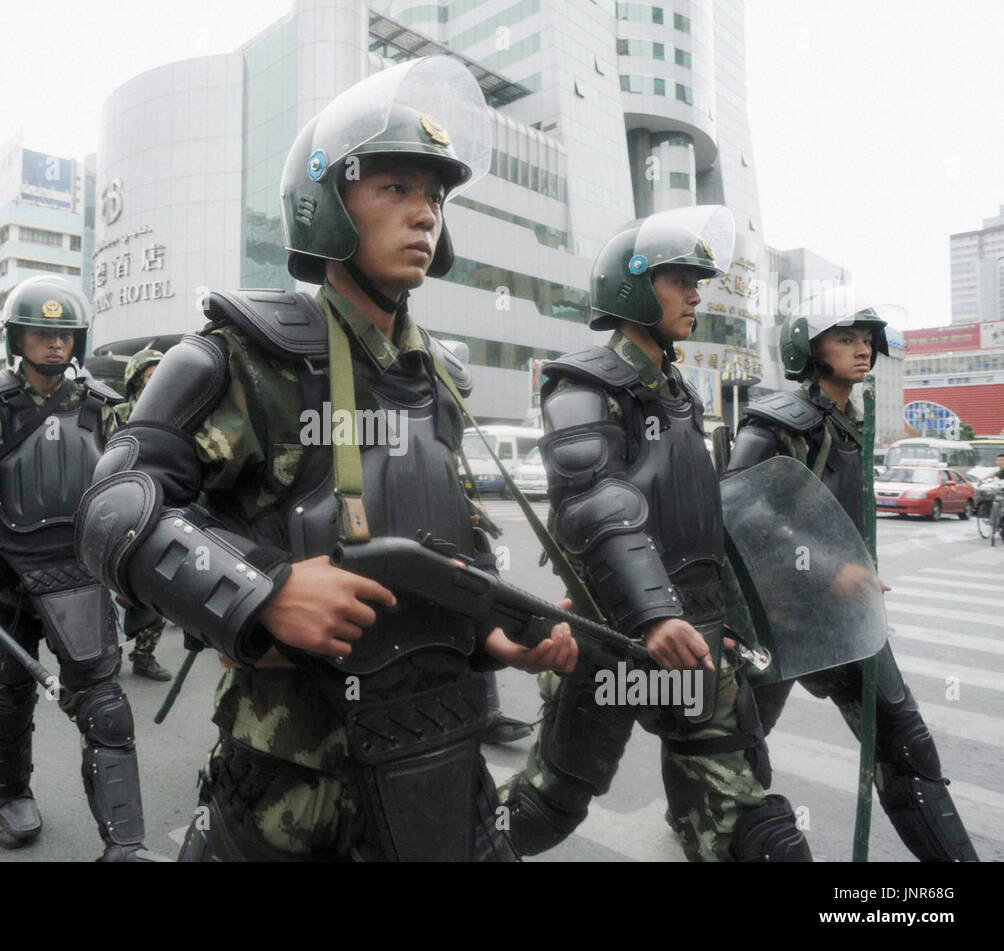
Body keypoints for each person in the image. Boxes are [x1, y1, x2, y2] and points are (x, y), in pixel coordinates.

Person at [76, 56, 576, 862]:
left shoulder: (437, 379)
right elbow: (113, 510)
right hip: (292, 795)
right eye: (395, 189)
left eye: (436, 197)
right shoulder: (242, 357)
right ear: (327, 205)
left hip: (440, 767)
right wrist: (264, 589)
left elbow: (446, 551)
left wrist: (496, 633)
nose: (425, 216)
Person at [499, 205, 812, 862]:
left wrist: (713, 613)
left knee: (757, 832)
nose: (696, 292)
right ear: (632, 286)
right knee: (540, 812)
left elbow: (702, 522)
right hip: (612, 641)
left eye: (697, 279)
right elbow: (595, 507)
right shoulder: (582, 384)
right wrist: (653, 614)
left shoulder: (678, 393)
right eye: (678, 278)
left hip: (691, 645)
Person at [725, 290, 977, 861]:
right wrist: (827, 563)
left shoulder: (852, 423)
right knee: (735, 756)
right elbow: (738, 508)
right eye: (846, 339)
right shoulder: (777, 421)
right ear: (810, 350)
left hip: (844, 615)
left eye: (866, 340)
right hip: (777, 615)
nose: (862, 349)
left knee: (905, 746)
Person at [0, 275, 154, 860]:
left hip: (80, 577)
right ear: (17, 338)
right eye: (40, 333)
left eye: (64, 334)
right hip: (2, 579)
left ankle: (125, 843)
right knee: (5, 700)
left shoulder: (103, 406)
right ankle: (10, 794)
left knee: (105, 708)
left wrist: (134, 570)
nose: (54, 345)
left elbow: (132, 490)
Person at [112, 349, 174, 681]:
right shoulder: (117, 414)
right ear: (136, 382)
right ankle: (110, 653)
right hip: (120, 511)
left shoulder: (176, 413)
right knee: (112, 587)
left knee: (157, 584)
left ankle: (145, 655)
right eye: (151, 376)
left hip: (161, 510)